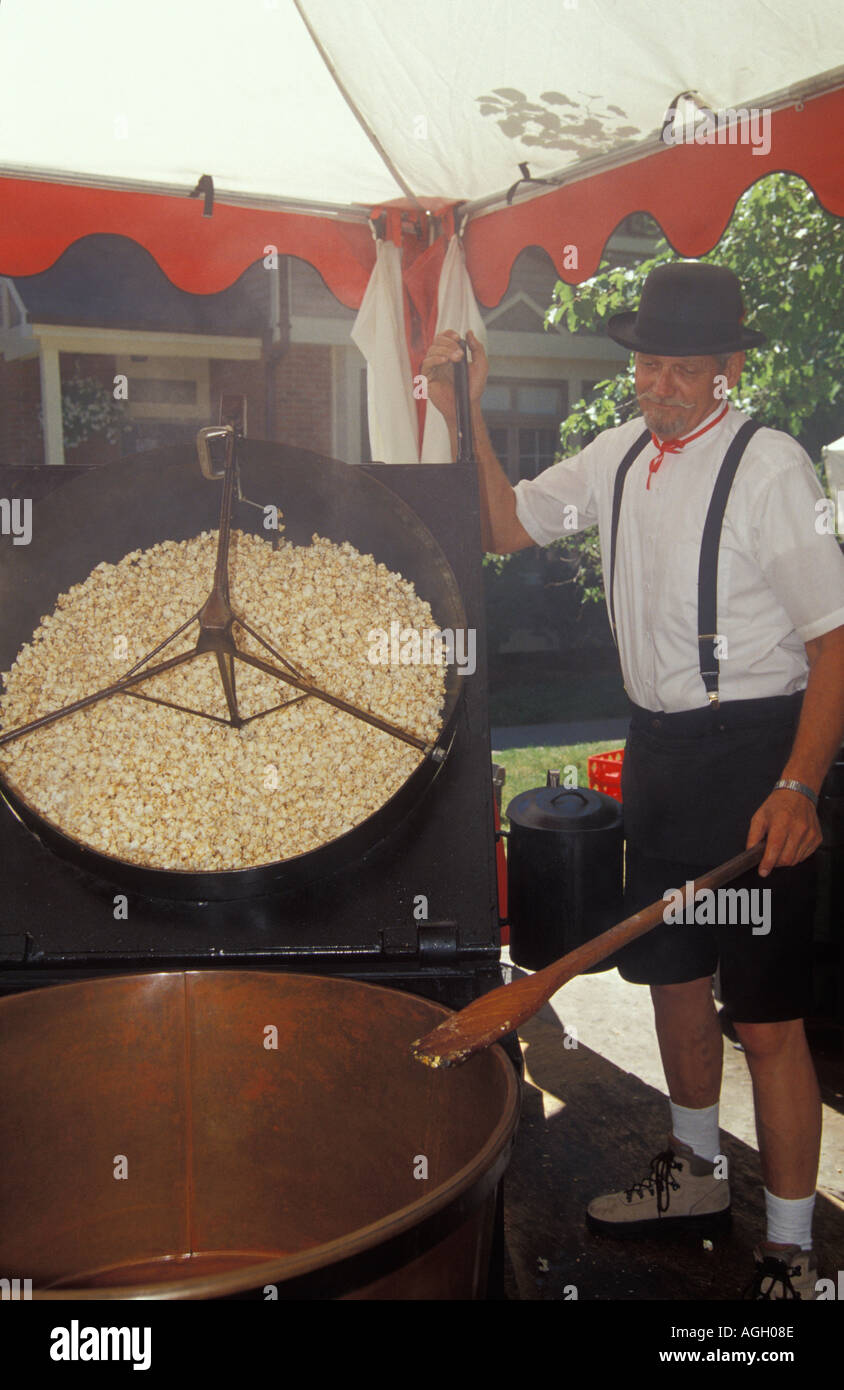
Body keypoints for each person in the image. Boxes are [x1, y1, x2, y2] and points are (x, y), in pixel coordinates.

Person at [421, 261, 844, 1300]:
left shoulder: (771, 468)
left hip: (755, 758)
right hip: (657, 754)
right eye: (646, 360)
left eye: (680, 366)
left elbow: (834, 641)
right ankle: (694, 1170)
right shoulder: (616, 454)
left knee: (769, 1014)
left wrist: (797, 784)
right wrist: (462, 413)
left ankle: (791, 1248)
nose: (656, 381)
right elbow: (500, 525)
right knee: (671, 979)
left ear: (727, 369)